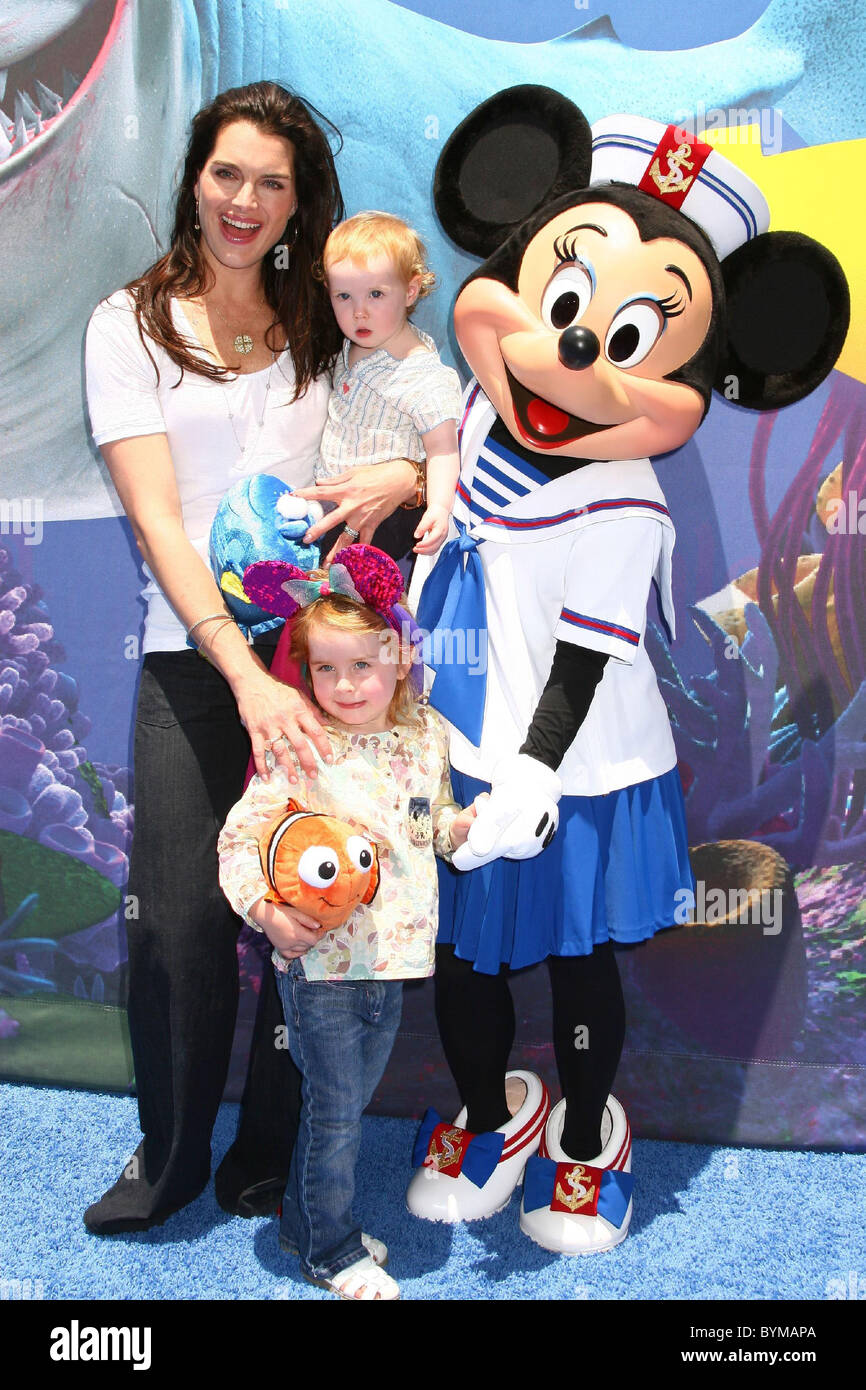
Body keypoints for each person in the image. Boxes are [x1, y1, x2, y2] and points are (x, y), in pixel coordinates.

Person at [82, 81, 422, 1235]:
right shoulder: (126, 325)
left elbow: (416, 425)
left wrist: (407, 477)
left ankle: (273, 1150)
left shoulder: (331, 319)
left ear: (299, 203)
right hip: (201, 665)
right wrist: (240, 673)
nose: (245, 199)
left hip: (321, 671)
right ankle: (171, 1152)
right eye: (228, 172)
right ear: (194, 175)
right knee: (177, 924)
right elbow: (161, 518)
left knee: (310, 902)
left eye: (273, 182)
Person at [217, 546, 478, 1300]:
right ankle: (330, 1249)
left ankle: (304, 1223)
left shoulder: (427, 735)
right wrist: (267, 914)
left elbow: (434, 825)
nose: (343, 685)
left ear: (400, 658)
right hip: (320, 968)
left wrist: (465, 831)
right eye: (324, 670)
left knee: (344, 1106)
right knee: (335, 1115)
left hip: (392, 962)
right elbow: (241, 840)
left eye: (361, 666)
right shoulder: (300, 746)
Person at [304, 210, 462, 561]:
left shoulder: (422, 374)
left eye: (376, 294)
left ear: (410, 290)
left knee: (365, 604)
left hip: (388, 523)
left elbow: (443, 450)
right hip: (334, 504)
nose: (359, 311)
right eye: (344, 296)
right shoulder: (347, 349)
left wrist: (439, 507)